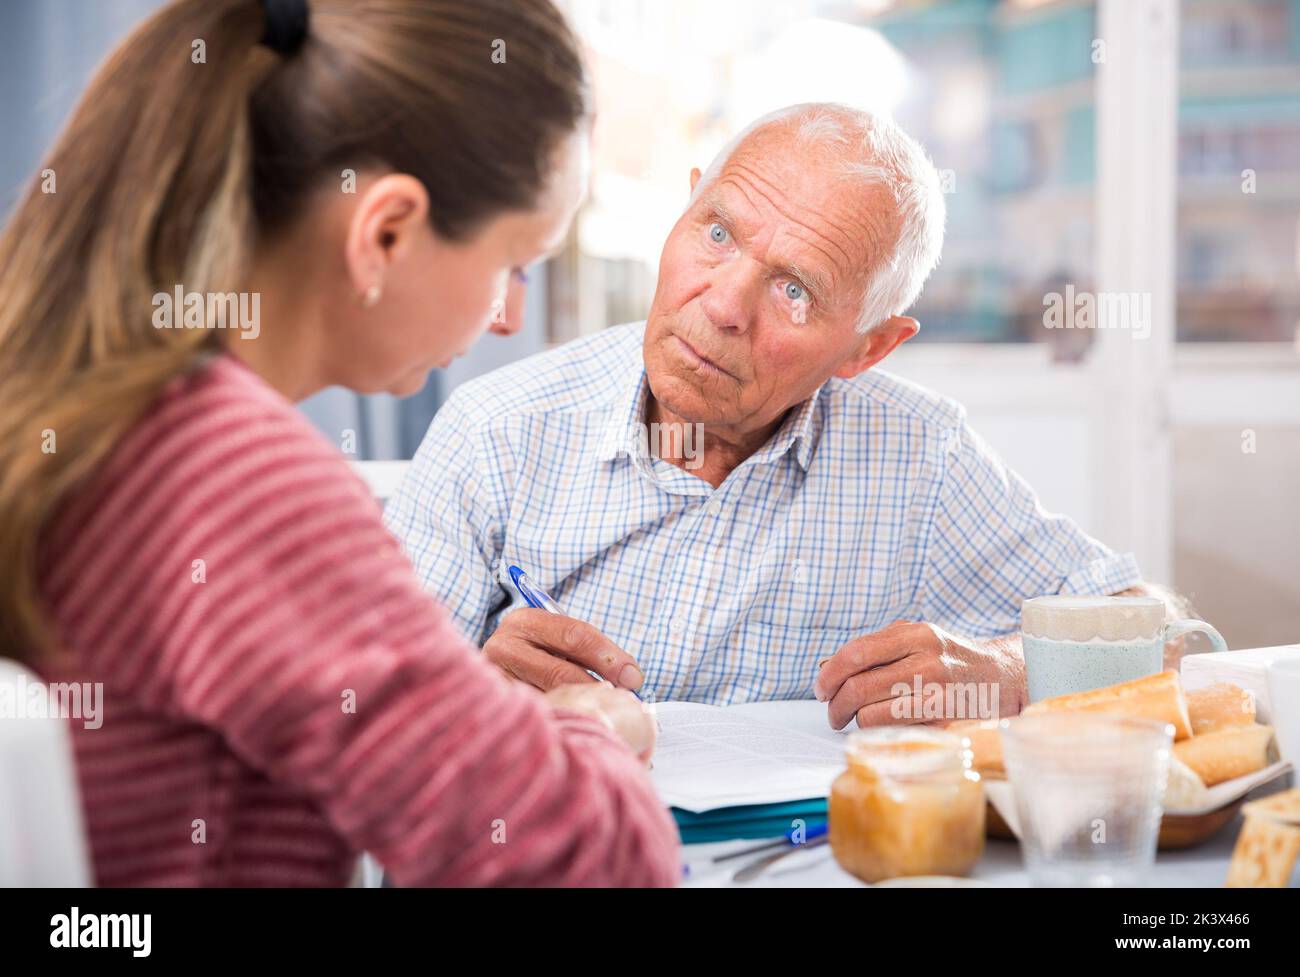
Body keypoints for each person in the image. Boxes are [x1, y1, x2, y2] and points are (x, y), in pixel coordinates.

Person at [0, 0, 677, 887]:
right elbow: (596, 861)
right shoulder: (233, 474)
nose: (508, 313)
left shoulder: (82, 409)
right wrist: (597, 729)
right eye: (514, 263)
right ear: (384, 232)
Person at [386, 102, 1189, 728]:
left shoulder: (919, 457)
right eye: (718, 232)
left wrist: (1013, 671)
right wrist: (466, 696)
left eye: (795, 288)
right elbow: (356, 713)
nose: (725, 304)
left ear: (867, 349)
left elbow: (1173, 633)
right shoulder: (497, 430)